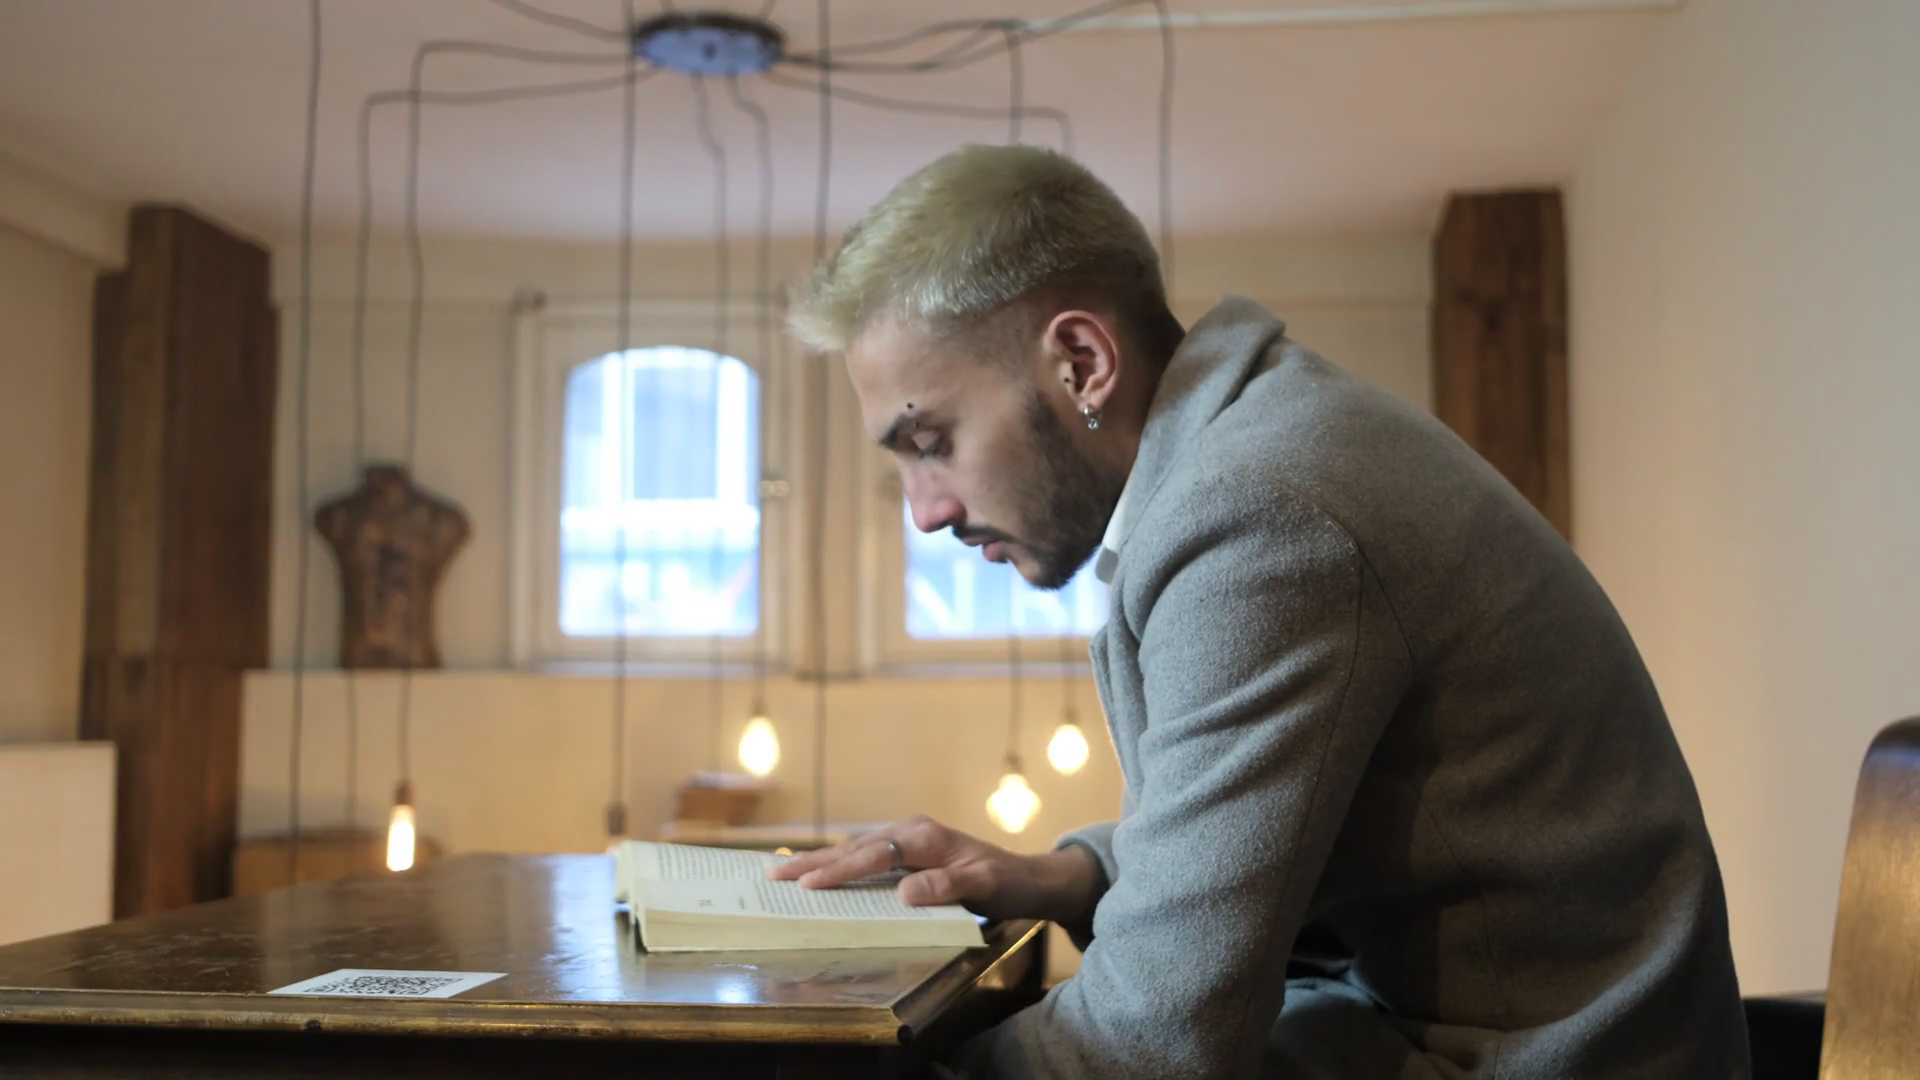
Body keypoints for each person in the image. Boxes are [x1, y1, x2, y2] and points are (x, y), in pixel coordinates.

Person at [771, 143, 1750, 1079]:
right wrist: (1063, 877)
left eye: (930, 440)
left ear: (1080, 362)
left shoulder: (1259, 511)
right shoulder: (1264, 446)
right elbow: (1297, 815)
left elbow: (1148, 1050)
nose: (926, 510)